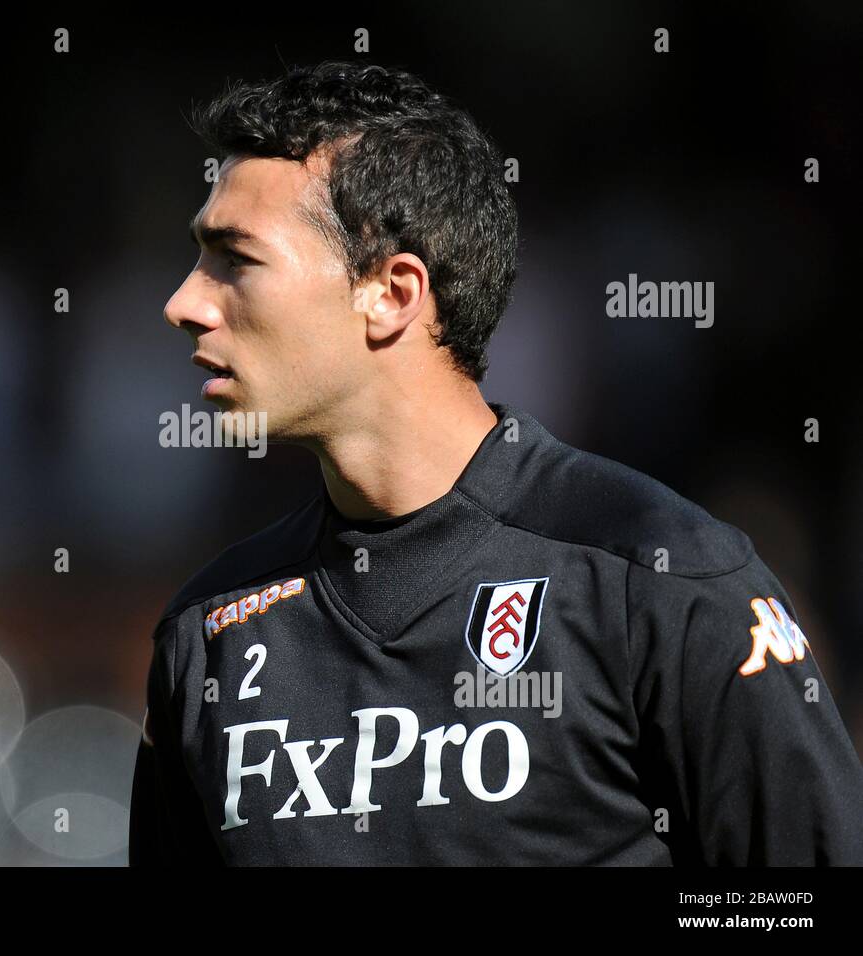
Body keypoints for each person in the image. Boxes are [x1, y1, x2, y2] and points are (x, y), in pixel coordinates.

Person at [128, 61, 863, 865]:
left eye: (234, 259)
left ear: (392, 293)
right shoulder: (209, 636)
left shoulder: (658, 578)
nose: (184, 303)